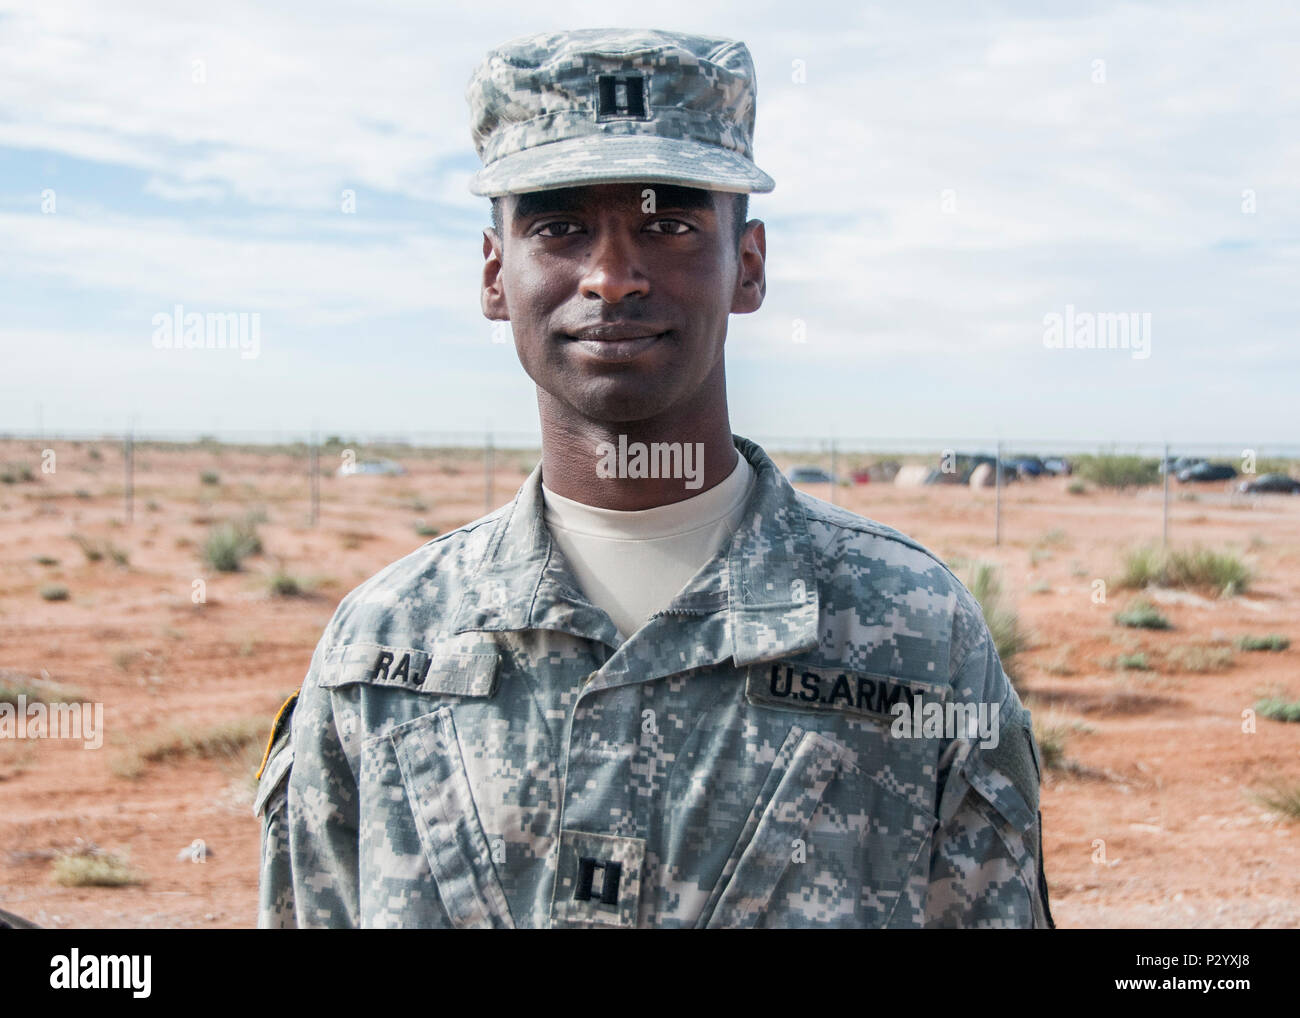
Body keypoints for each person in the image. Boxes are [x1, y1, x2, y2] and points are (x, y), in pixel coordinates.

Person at [255, 27, 1054, 929]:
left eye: (668, 225)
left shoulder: (915, 633)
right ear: (493, 274)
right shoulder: (380, 653)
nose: (612, 277)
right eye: (558, 226)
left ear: (747, 267)